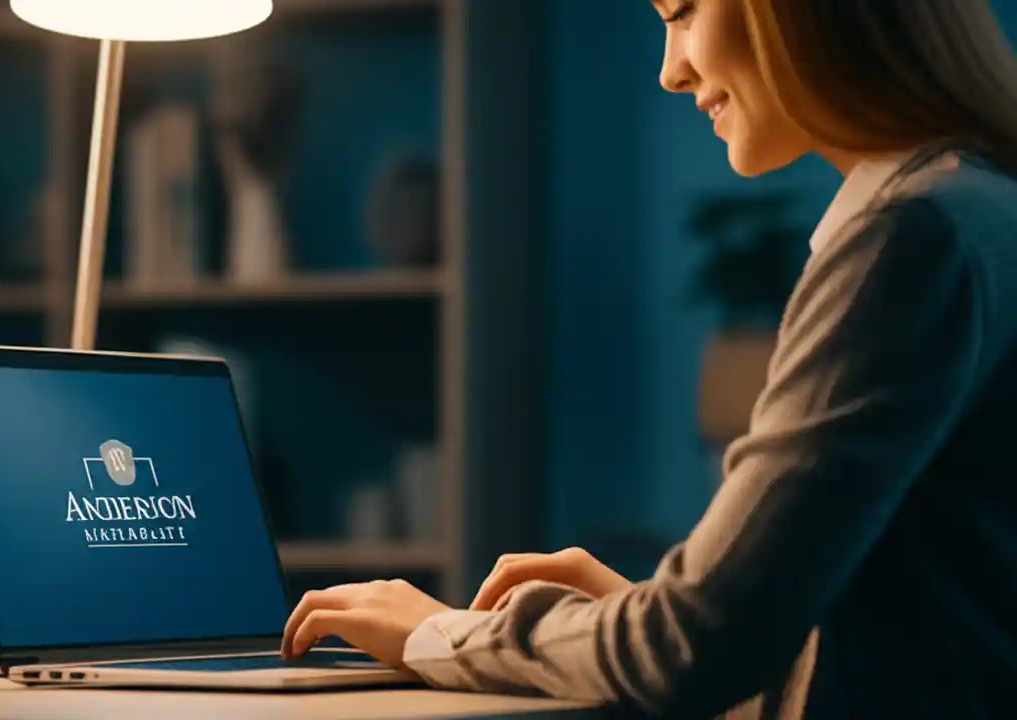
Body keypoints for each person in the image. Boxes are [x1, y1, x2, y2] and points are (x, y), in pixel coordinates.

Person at [281, 0, 1017, 716]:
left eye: (681, 11)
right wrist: (636, 618)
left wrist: (438, 635)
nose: (670, 71)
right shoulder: (977, 211)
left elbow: (698, 646)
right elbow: (899, 667)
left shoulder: (914, 239)